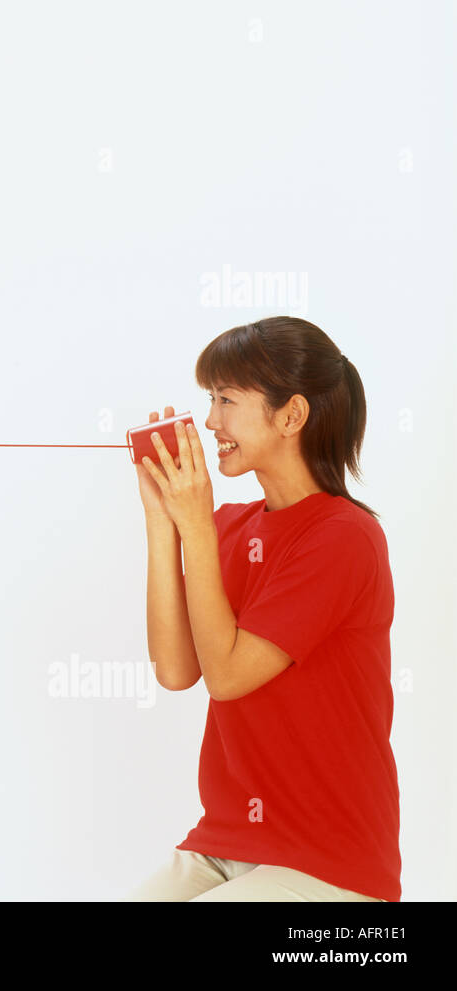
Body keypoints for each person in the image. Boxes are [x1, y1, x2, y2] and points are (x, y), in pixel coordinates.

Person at [122, 316, 399, 902]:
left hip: (328, 860)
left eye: (226, 399)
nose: (211, 420)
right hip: (223, 843)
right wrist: (162, 520)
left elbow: (226, 676)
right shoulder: (228, 527)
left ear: (291, 415)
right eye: (209, 399)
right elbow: (176, 672)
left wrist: (194, 524)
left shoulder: (344, 536)